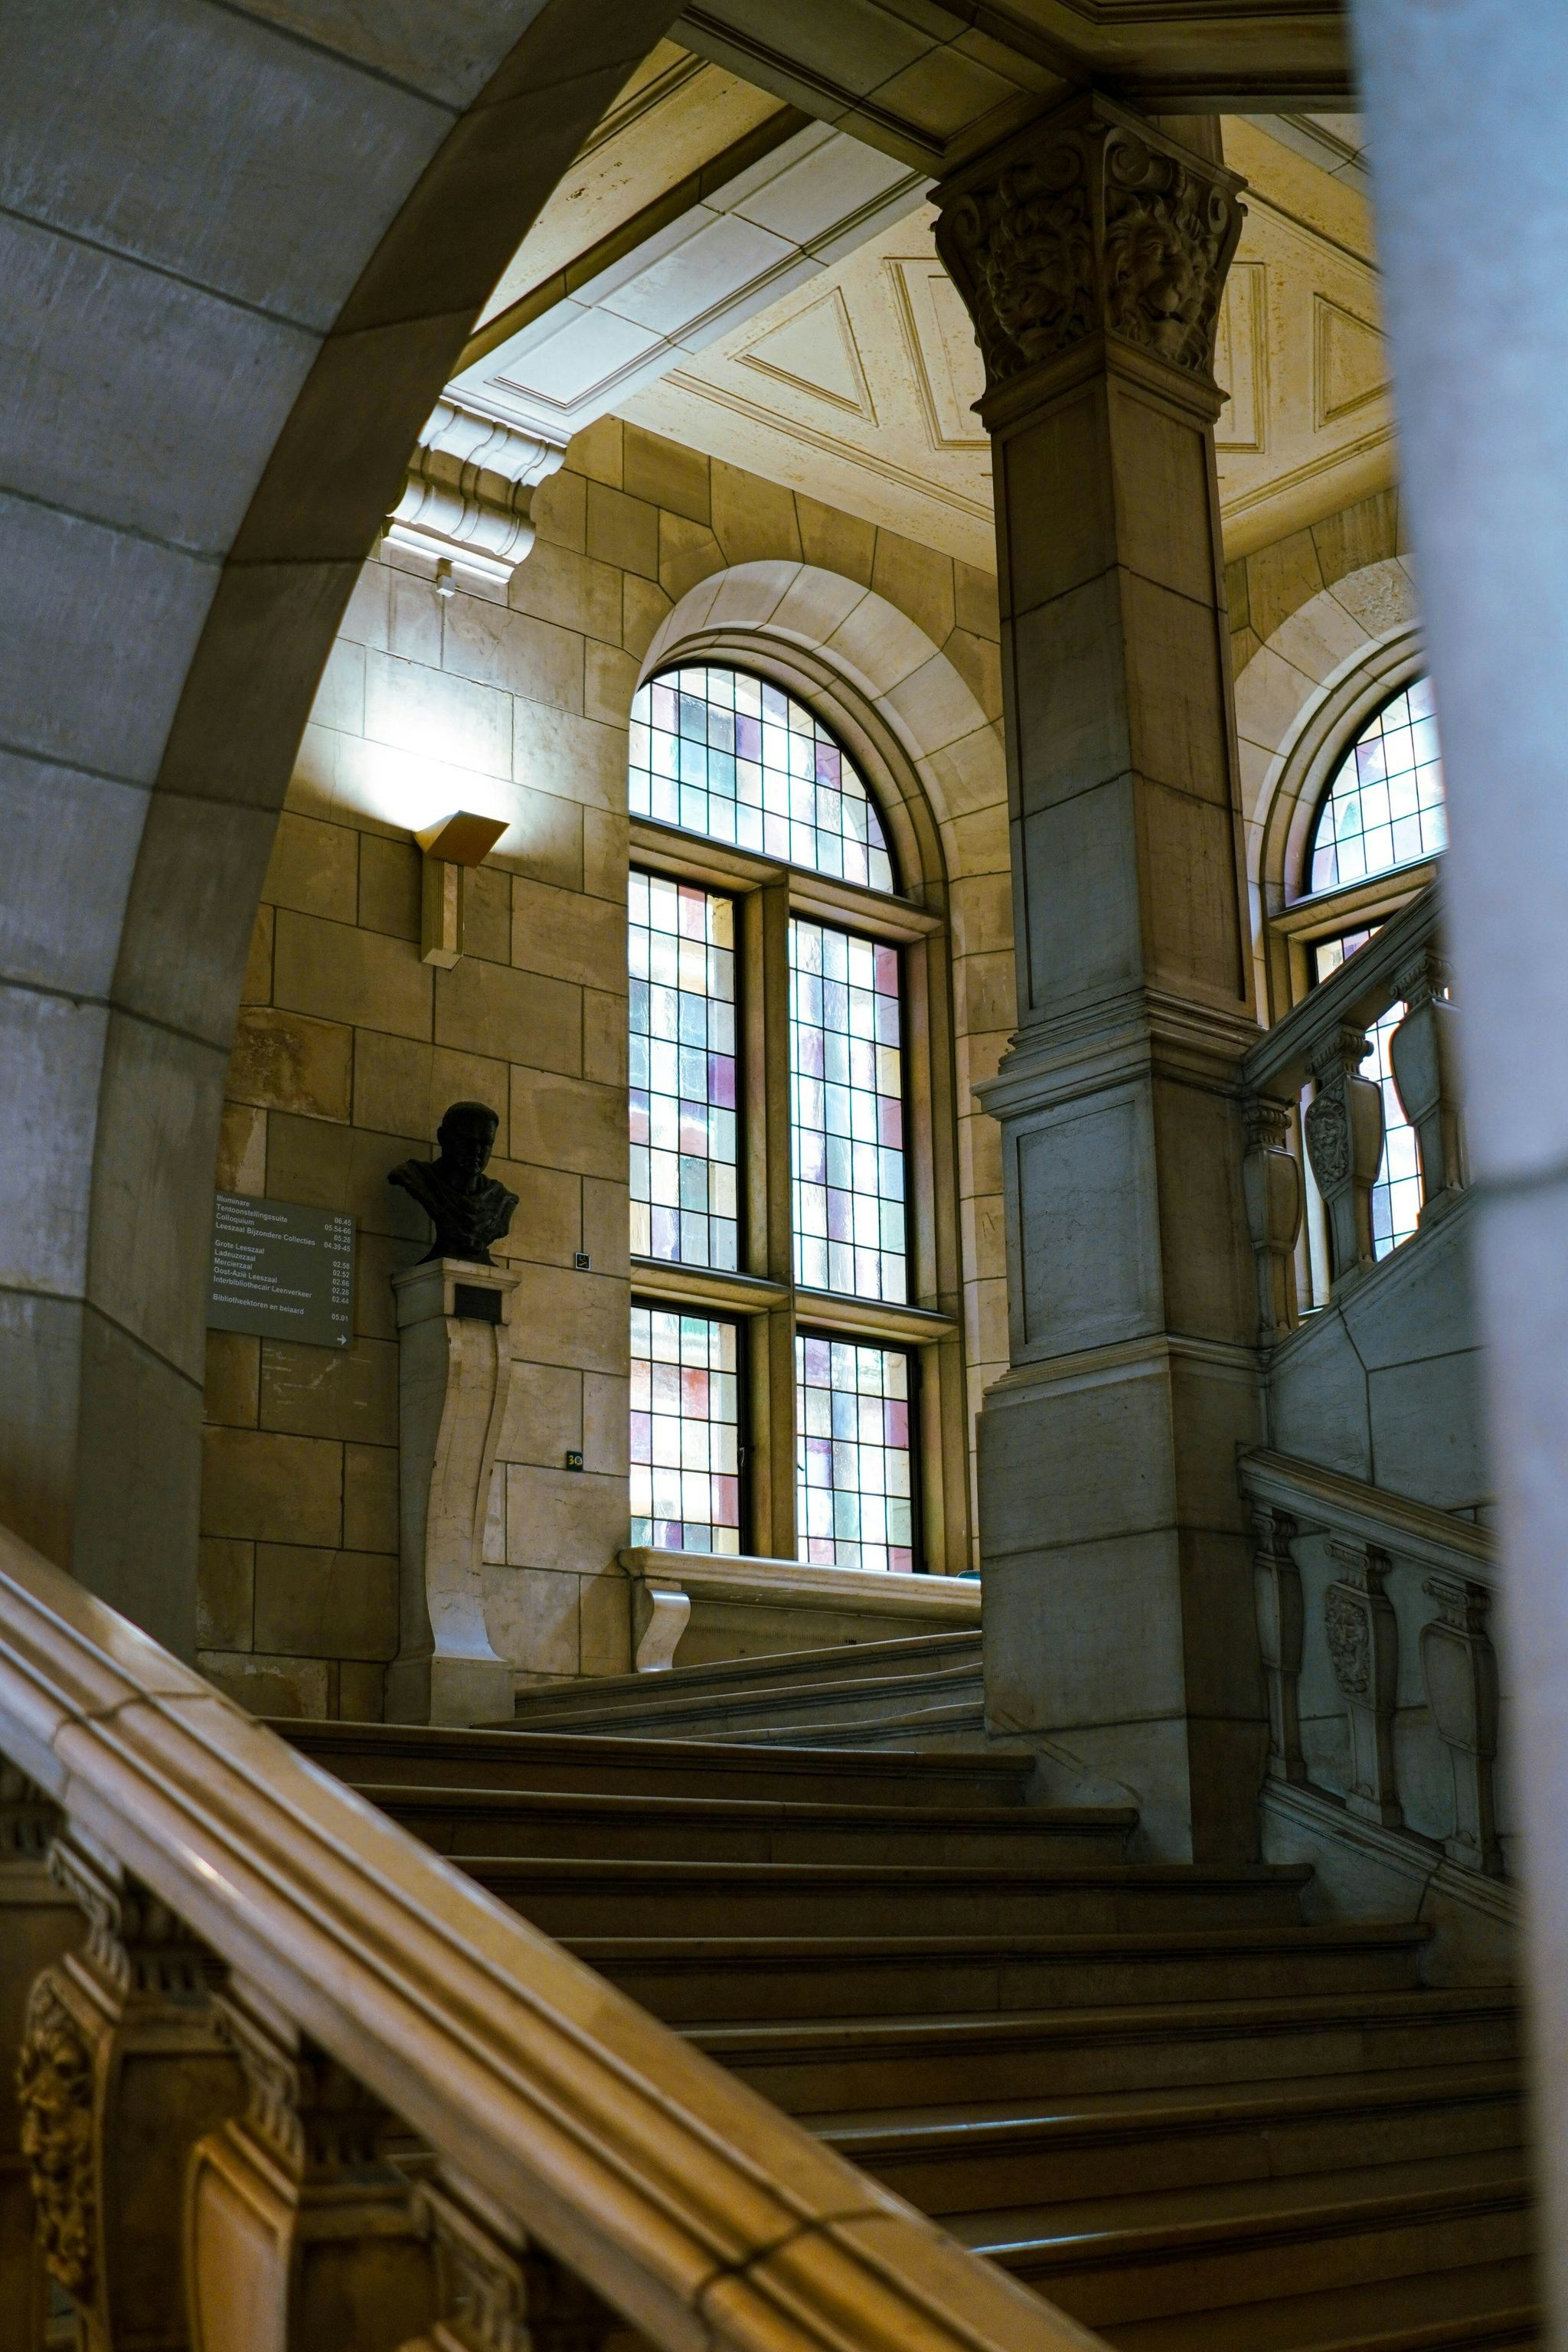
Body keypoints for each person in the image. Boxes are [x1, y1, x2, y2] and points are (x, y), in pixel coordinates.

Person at [388, 1102, 518, 1265]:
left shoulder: (502, 1201)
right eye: (467, 1141)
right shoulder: (415, 1177)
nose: (477, 1151)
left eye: (485, 1144)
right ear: (443, 1138)